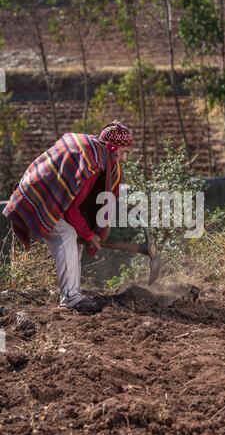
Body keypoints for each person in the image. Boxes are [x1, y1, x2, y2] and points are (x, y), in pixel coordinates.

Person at [2, 121, 133, 313]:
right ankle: (71, 298)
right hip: (40, 198)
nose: (125, 158)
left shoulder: (96, 153)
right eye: (124, 152)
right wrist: (89, 235)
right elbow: (72, 210)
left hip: (49, 196)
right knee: (66, 235)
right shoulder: (92, 165)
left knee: (74, 237)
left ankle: (73, 293)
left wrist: (89, 235)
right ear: (112, 148)